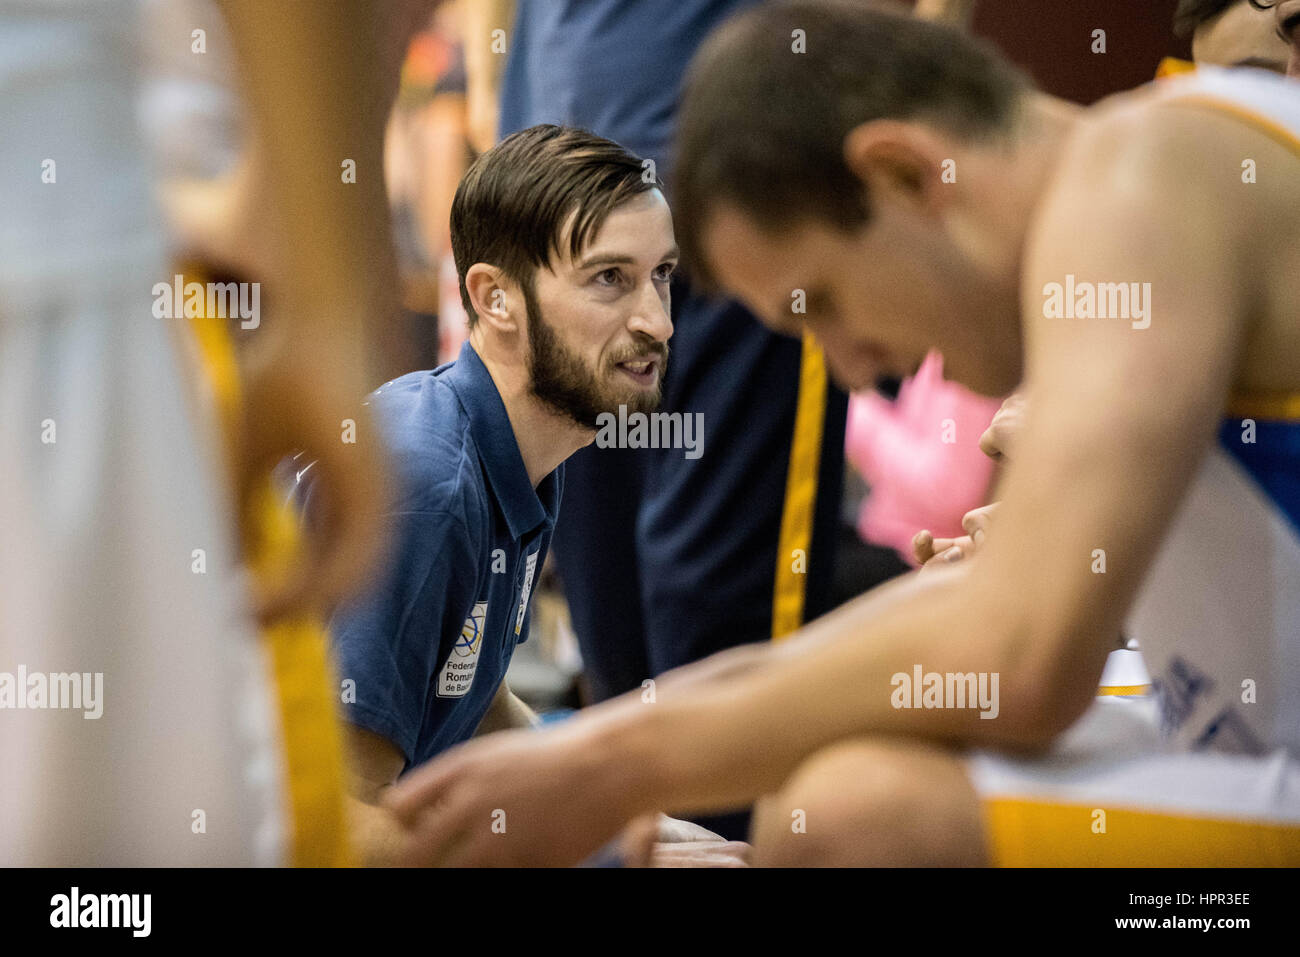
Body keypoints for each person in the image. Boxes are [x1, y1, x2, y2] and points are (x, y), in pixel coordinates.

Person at [384, 0, 1300, 866]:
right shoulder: (1138, 181)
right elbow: (1001, 623)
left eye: (822, 302)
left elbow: (1023, 663)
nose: (855, 370)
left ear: (903, 174)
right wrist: (598, 748)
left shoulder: (1136, 180)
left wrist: (616, 761)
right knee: (850, 761)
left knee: (847, 817)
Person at [304, 124, 742, 864]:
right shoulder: (427, 483)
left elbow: (471, 699)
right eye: (610, 278)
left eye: (661, 275)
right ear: (494, 298)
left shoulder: (534, 440)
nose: (658, 323)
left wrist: (611, 814)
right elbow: (334, 823)